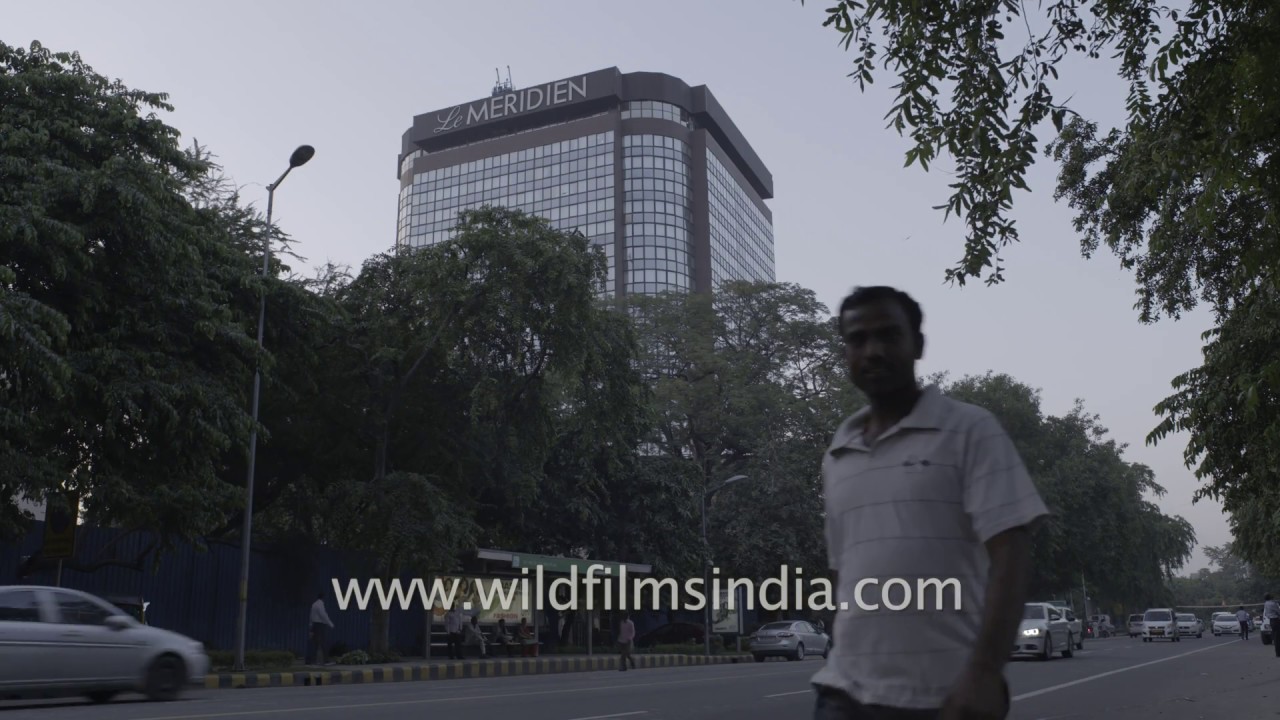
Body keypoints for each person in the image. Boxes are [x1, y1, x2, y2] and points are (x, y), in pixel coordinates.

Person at [812, 286, 1050, 720]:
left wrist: (983, 672)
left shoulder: (971, 430)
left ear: (917, 343)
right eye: (858, 340)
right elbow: (841, 571)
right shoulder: (838, 452)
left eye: (888, 335)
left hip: (943, 697)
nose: (873, 350)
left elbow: (1010, 554)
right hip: (843, 694)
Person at [308, 592, 334, 665]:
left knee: (315, 643)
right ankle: (326, 660)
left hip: (314, 625)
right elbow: (323, 615)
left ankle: (312, 660)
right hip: (320, 625)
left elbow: (311, 616)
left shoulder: (314, 604)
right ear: (323, 598)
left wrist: (310, 626)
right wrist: (330, 624)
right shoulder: (320, 604)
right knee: (323, 643)